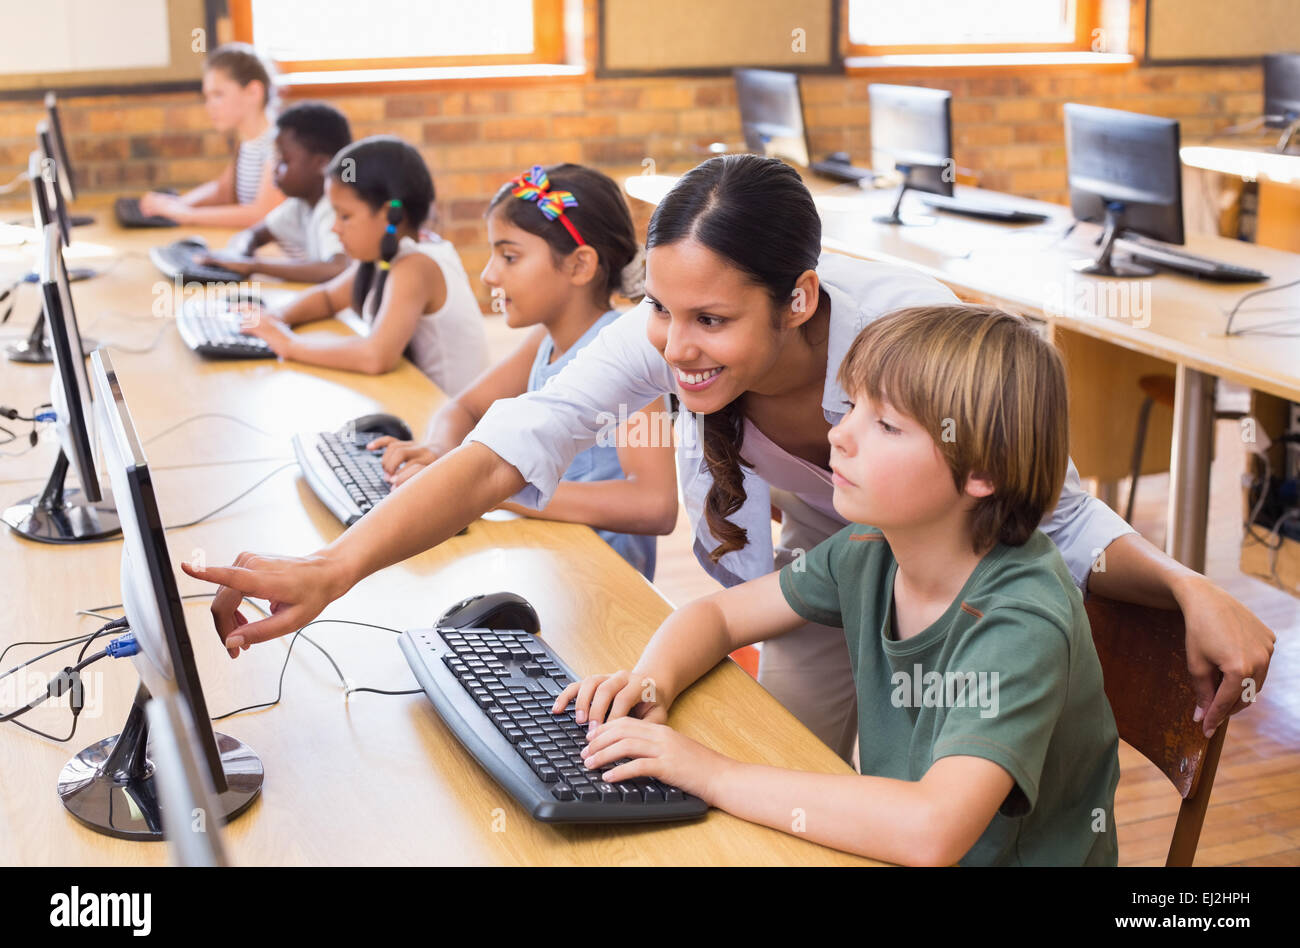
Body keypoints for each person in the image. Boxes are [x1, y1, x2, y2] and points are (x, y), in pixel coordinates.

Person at [183, 154, 1273, 756]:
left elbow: (1052, 508)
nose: (673, 344)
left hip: (962, 602)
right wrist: (332, 573)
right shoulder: (662, 335)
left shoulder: (904, 335)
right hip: (820, 585)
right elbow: (508, 450)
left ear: (799, 298)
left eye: (709, 319)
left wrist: (1184, 584)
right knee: (750, 778)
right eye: (660, 308)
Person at [559, 304, 1121, 865]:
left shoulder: (1019, 620)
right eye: (852, 406)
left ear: (983, 472)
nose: (841, 435)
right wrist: (650, 684)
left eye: (887, 425)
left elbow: (932, 831)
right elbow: (720, 617)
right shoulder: (873, 546)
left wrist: (712, 773)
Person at [370, 163, 676, 579]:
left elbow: (653, 506)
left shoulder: (626, 355)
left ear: (579, 266)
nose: (488, 274)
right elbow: (465, 408)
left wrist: (491, 491)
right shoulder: (545, 340)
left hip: (603, 586)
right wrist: (441, 453)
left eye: (509, 256)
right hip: (548, 562)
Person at [235, 135, 489, 392]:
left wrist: (289, 345)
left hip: (453, 420)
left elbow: (375, 356)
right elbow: (328, 298)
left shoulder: (416, 266)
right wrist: (277, 317)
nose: (335, 227)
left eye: (345, 216)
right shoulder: (384, 254)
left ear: (391, 214)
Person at [199, 101, 352, 283]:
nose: (275, 169)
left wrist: (254, 265)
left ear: (321, 164)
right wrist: (237, 254)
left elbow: (338, 268)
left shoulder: (334, 208)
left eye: (284, 161)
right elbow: (254, 234)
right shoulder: (300, 203)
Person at [137, 43, 282, 229]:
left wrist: (188, 215)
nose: (209, 106)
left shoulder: (279, 144)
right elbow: (221, 190)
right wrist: (178, 204)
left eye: (218, 95)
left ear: (254, 92)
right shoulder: (248, 143)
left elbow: (261, 214)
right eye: (207, 97)